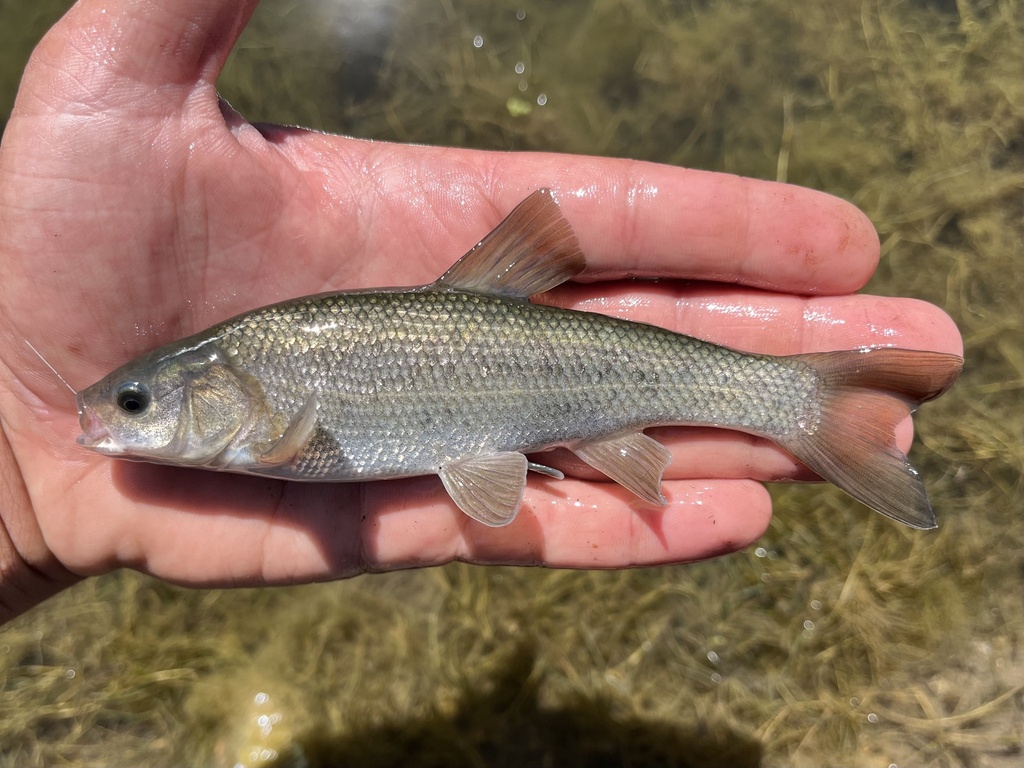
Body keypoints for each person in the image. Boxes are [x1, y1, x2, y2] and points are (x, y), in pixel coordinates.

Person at [0, 0, 962, 626]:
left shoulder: (266, 360)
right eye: (133, 402)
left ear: (214, 391)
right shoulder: (262, 360)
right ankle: (803, 403)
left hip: (499, 336)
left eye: (134, 404)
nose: (109, 418)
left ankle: (805, 402)